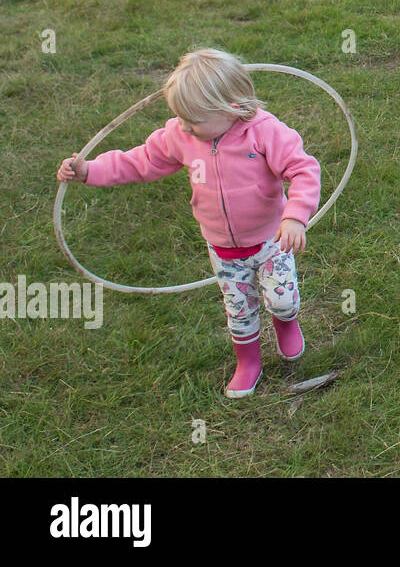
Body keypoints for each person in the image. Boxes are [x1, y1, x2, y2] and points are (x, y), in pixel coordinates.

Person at [56, 48, 321, 399]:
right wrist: (89, 170)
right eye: (179, 117)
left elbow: (303, 169)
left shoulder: (265, 133)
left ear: (232, 109)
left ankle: (286, 322)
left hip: (272, 239)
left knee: (282, 299)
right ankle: (249, 362)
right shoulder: (181, 137)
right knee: (238, 309)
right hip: (223, 248)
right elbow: (141, 161)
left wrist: (295, 217)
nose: (182, 126)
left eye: (192, 120)